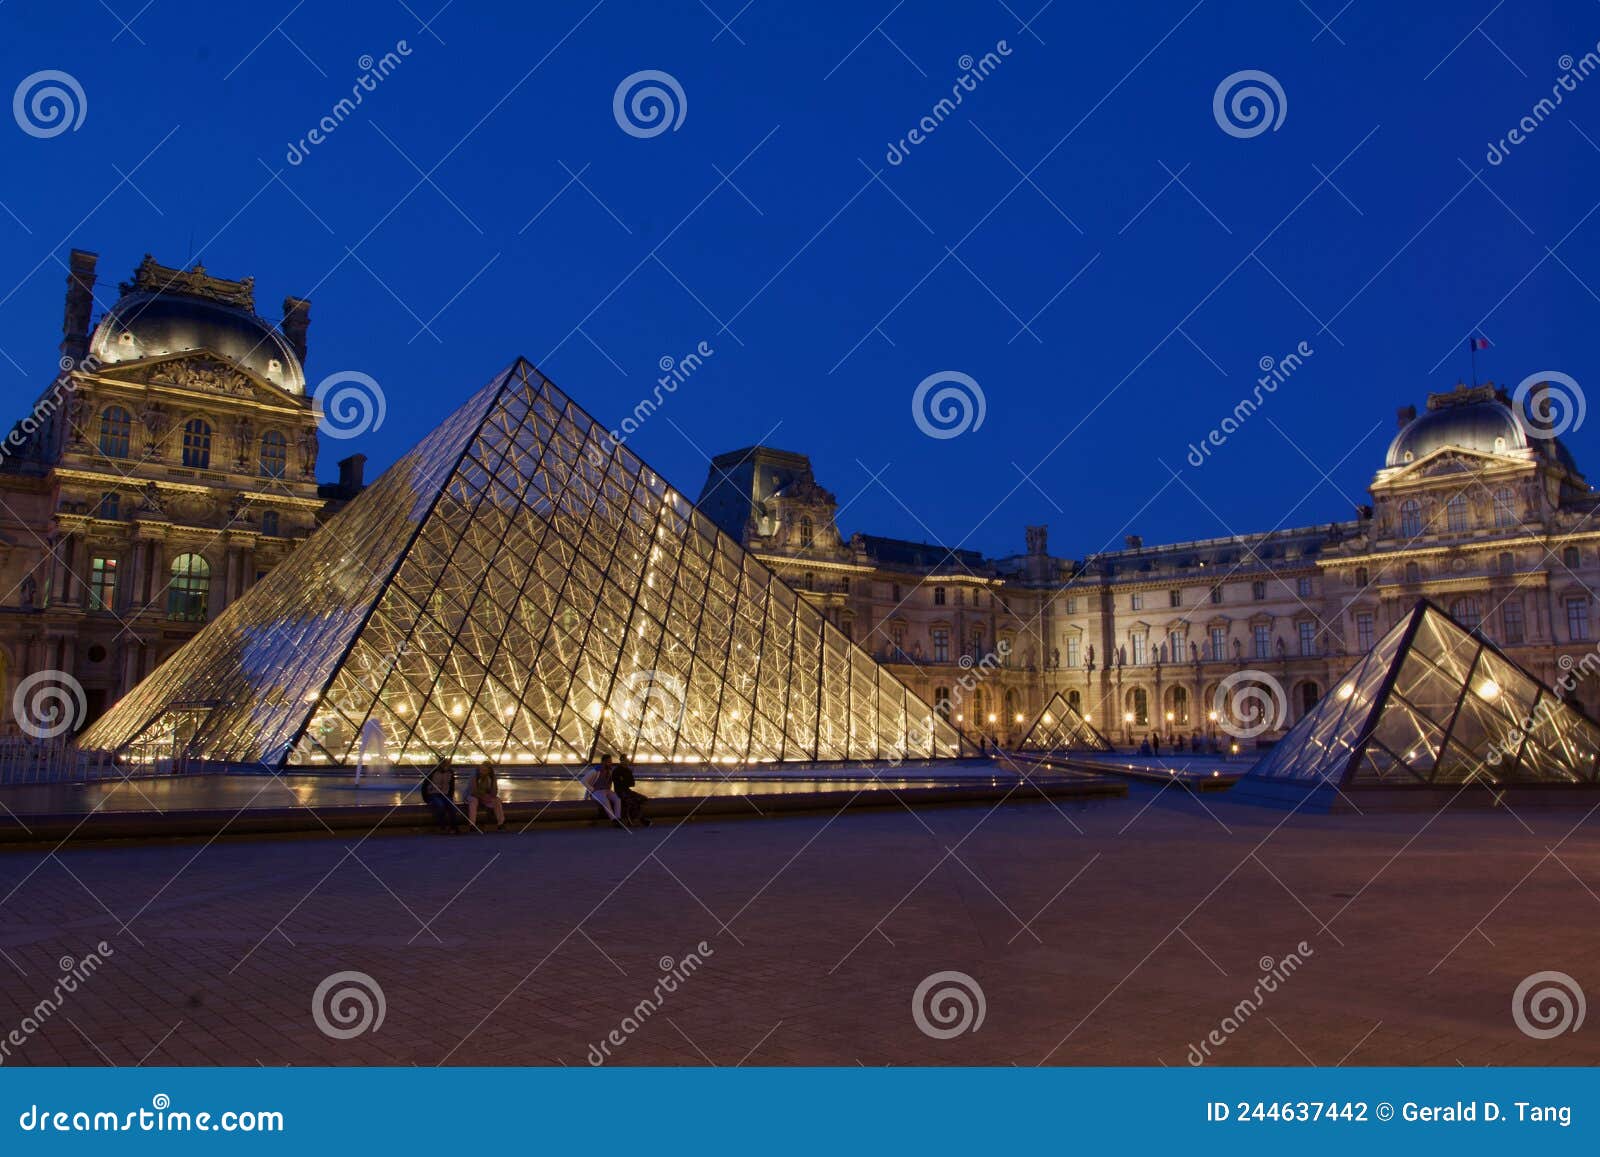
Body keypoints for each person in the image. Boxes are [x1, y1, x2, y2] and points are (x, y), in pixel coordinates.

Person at [420, 761, 461, 833]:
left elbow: (452, 786)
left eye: (448, 765)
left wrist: (450, 796)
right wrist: (426, 798)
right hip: (433, 794)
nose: (447, 766)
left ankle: (453, 827)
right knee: (440, 805)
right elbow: (424, 786)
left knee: (452, 807)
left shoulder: (450, 773)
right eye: (445, 765)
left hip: (445, 794)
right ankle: (442, 827)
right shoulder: (433, 773)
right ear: (440, 765)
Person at [582, 753, 623, 827]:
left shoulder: (610, 770)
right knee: (605, 801)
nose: (610, 763)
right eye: (609, 762)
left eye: (610, 761)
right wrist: (593, 789)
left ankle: (618, 817)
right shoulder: (596, 770)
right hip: (597, 791)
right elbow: (583, 780)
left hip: (607, 790)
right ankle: (613, 819)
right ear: (603, 762)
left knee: (617, 799)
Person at [467, 763, 507, 832]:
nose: (482, 772)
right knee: (474, 801)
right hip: (471, 796)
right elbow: (473, 792)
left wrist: (494, 780)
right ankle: (472, 825)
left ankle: (501, 823)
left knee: (497, 800)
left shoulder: (490, 778)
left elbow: (494, 793)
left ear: (489, 771)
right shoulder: (475, 776)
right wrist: (484, 797)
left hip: (483, 797)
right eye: (481, 770)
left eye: (485, 770)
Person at [613, 758, 649, 827]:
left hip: (627, 791)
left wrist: (624, 780)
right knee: (632, 802)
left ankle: (637, 819)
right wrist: (626, 781)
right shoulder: (616, 771)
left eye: (627, 761)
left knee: (643, 799)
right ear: (621, 761)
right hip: (620, 792)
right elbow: (619, 784)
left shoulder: (628, 771)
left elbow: (632, 783)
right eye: (625, 761)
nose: (627, 763)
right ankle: (637, 819)